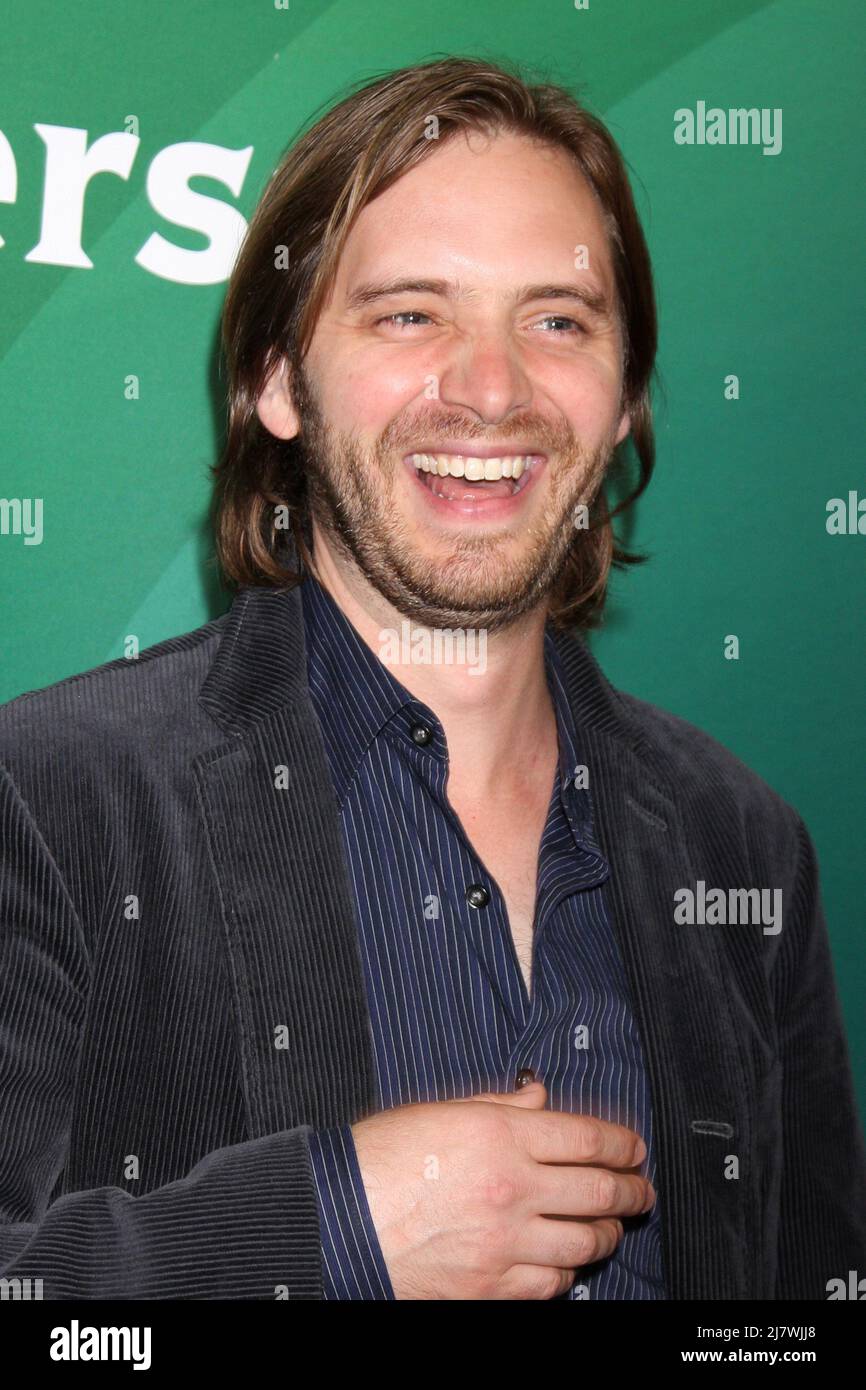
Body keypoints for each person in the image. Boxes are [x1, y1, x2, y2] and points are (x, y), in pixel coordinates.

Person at [1, 56, 863, 1301]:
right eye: (410, 313)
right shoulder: (49, 803)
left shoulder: (743, 845)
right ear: (277, 383)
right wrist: (332, 1230)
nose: (491, 387)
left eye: (555, 321)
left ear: (622, 401)